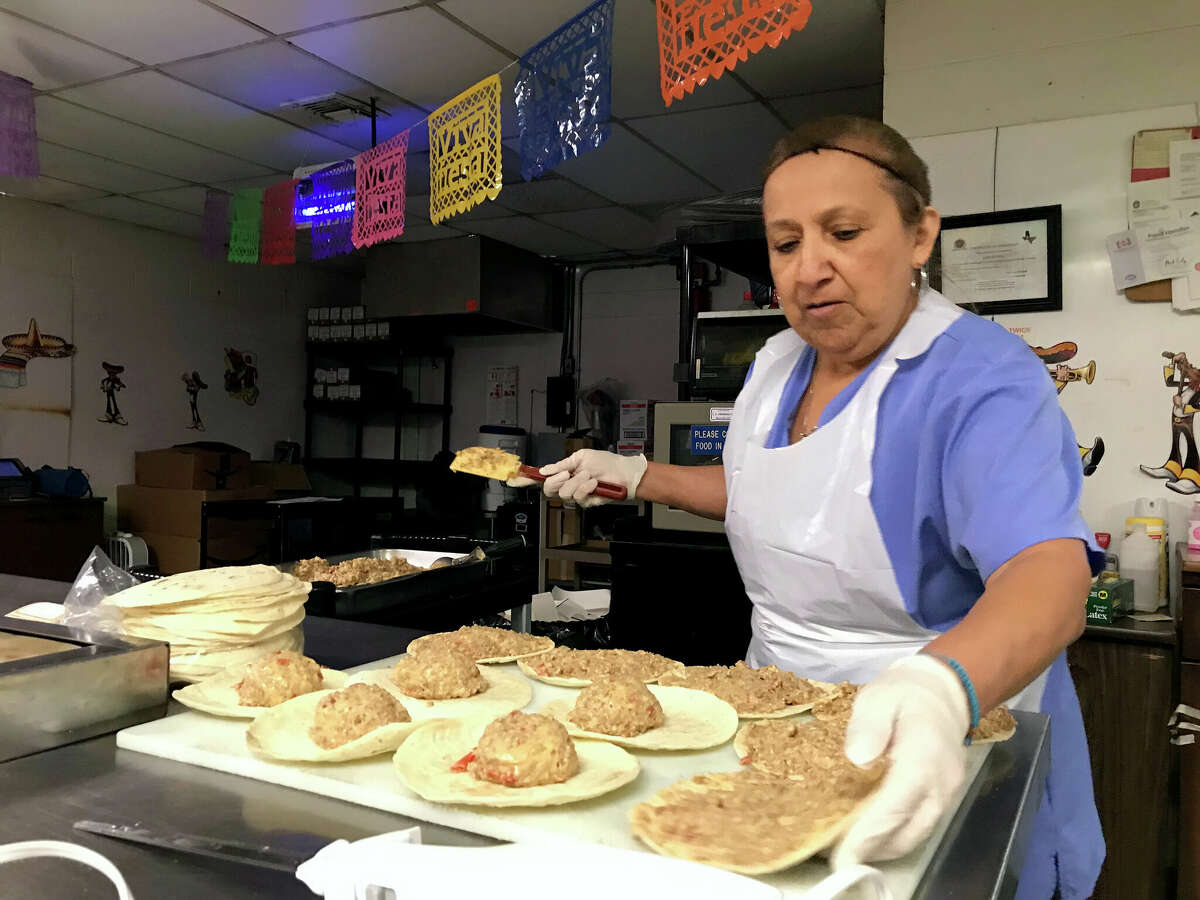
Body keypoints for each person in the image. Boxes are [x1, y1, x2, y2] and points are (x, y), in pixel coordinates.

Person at [525, 116, 1104, 899]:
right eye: (787, 243)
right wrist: (633, 476)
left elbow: (1049, 574)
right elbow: (777, 503)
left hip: (941, 735)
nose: (809, 270)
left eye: (845, 231)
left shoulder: (980, 378)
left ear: (920, 234)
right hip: (781, 725)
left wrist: (942, 690)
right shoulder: (777, 362)